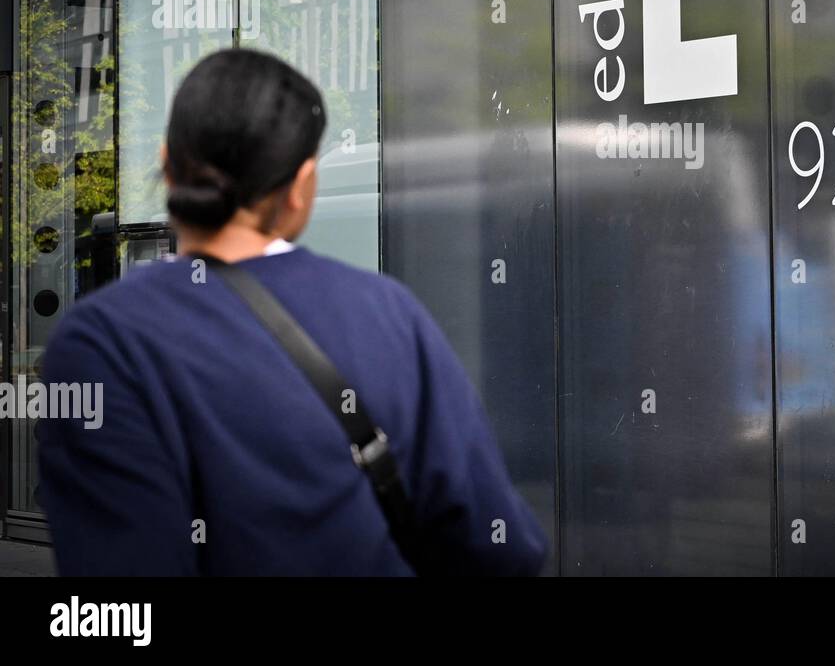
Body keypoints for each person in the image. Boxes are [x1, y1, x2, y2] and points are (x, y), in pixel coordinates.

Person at [37, 49, 547, 576]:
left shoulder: (99, 342)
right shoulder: (389, 314)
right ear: (302, 187)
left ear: (167, 165)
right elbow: (499, 548)